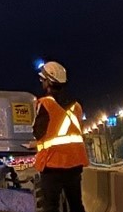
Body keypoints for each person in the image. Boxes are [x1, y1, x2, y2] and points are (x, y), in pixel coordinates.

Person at [33, 61, 90, 212]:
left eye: (42, 80)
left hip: (52, 163)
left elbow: (38, 132)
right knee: (76, 204)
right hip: (75, 163)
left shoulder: (45, 104)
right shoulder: (76, 106)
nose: (41, 82)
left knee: (50, 206)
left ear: (48, 82)